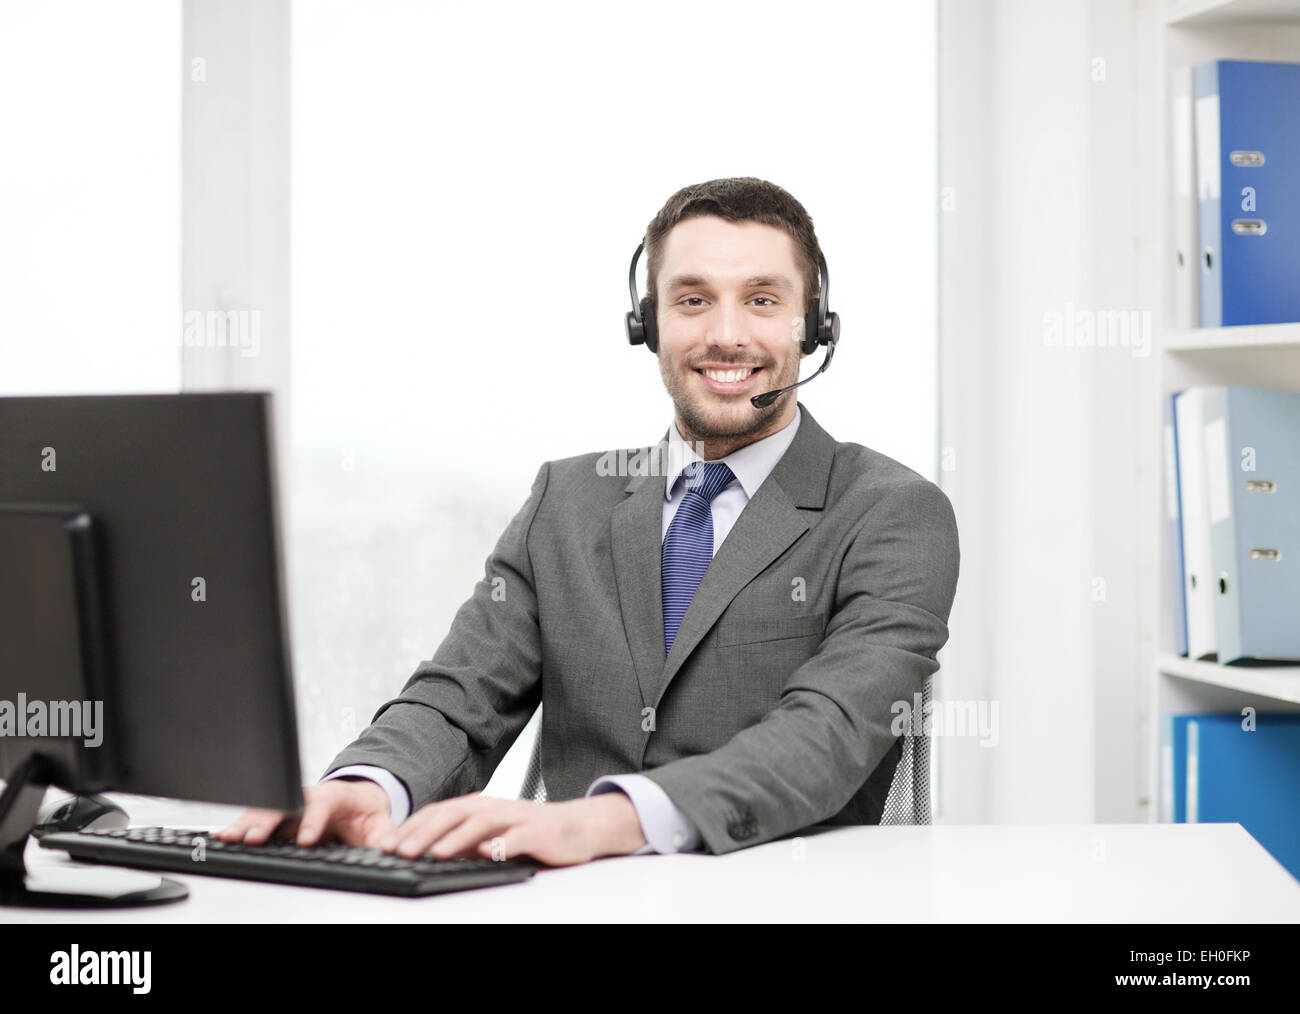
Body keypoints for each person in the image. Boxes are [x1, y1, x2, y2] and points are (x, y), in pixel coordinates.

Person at [217, 176, 960, 866]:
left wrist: (602, 822)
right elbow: (460, 697)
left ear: (814, 324)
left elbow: (825, 737)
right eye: (693, 300)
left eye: (762, 300)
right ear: (648, 322)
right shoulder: (566, 503)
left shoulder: (891, 512)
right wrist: (370, 784)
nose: (726, 335)